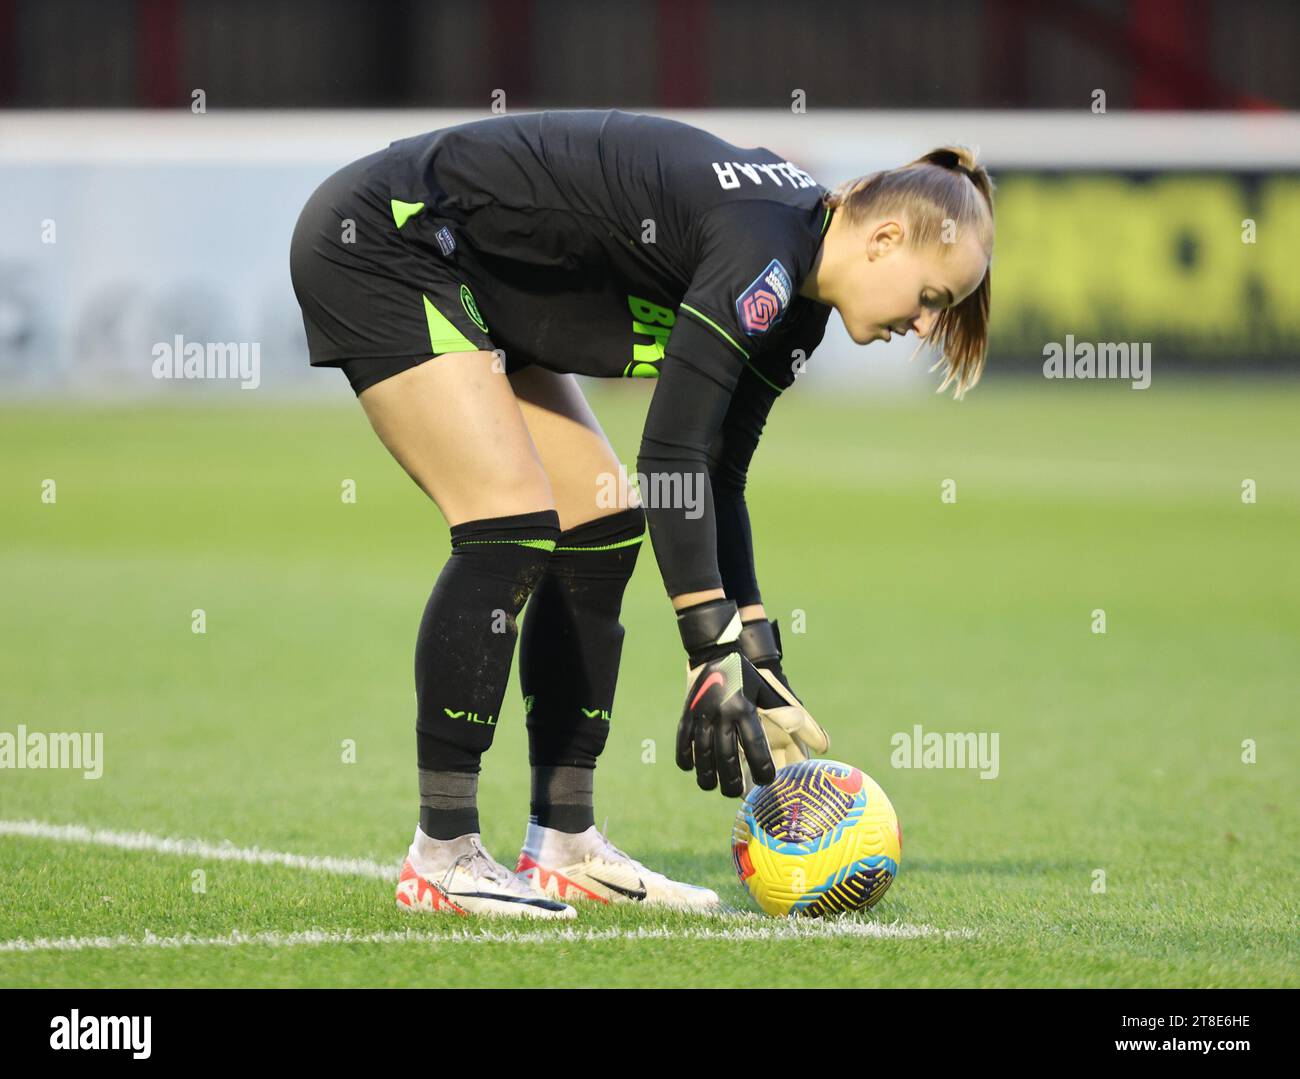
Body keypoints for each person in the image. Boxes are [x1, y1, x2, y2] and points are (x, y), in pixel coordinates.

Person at [289, 108, 994, 918]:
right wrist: (707, 652)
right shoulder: (765, 244)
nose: (926, 325)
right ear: (885, 239)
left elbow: (718, 475)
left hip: (476, 272)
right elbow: (670, 457)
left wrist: (755, 652)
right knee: (509, 518)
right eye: (933, 297)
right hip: (388, 236)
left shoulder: (798, 302)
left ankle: (565, 842)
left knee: (599, 519)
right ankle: (442, 853)